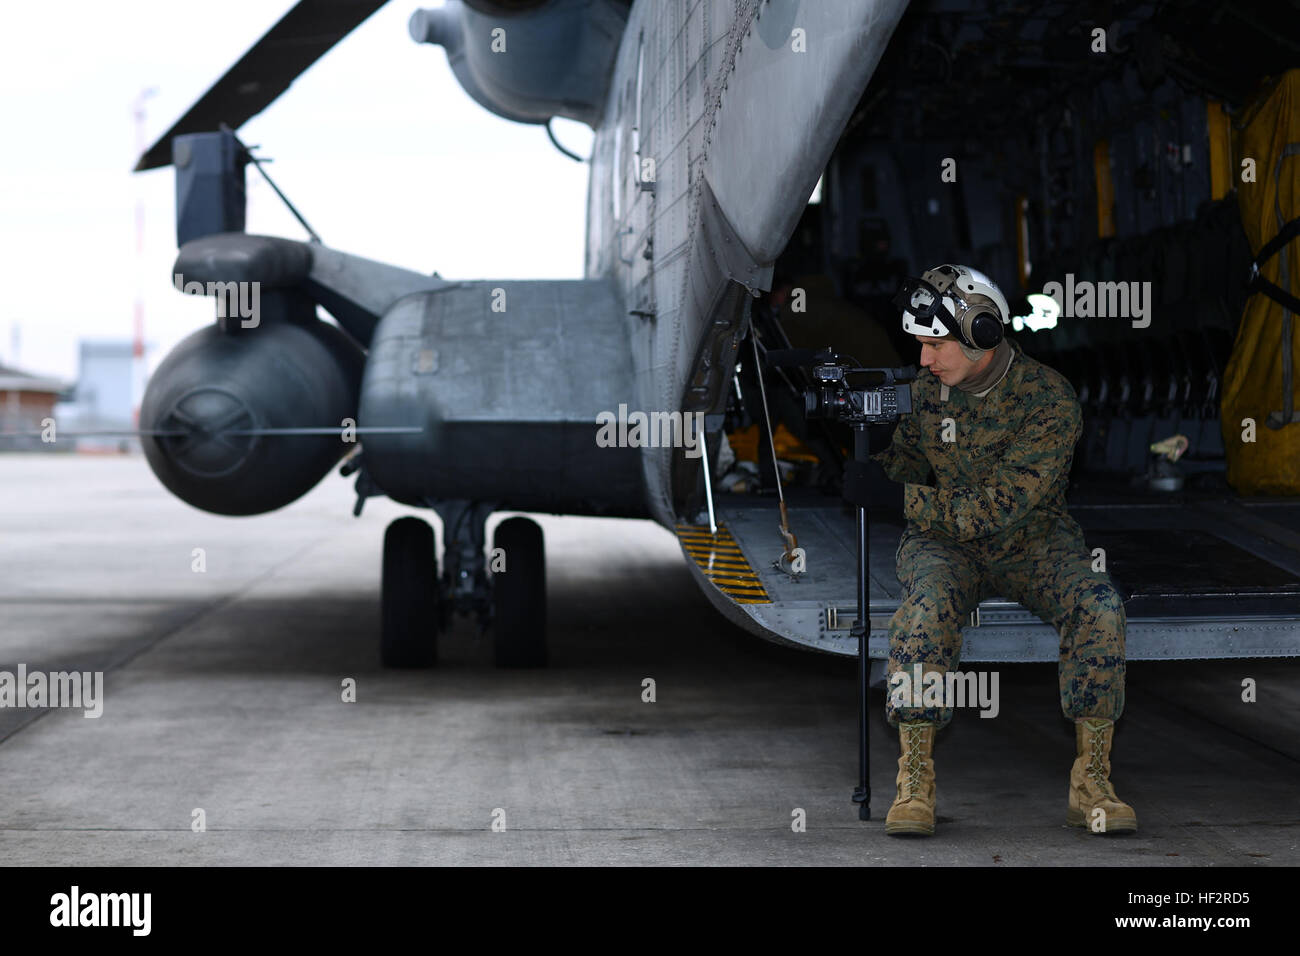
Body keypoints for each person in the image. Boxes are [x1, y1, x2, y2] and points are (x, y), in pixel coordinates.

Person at [871, 263, 1134, 836]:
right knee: (924, 612)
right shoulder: (926, 390)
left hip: (1032, 542)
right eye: (920, 345)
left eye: (935, 344)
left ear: (982, 335)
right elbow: (908, 468)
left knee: (1099, 607)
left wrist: (898, 499)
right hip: (943, 546)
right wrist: (869, 443)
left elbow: (994, 508)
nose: (924, 360)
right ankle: (914, 779)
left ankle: (1092, 779)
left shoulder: (1048, 400)